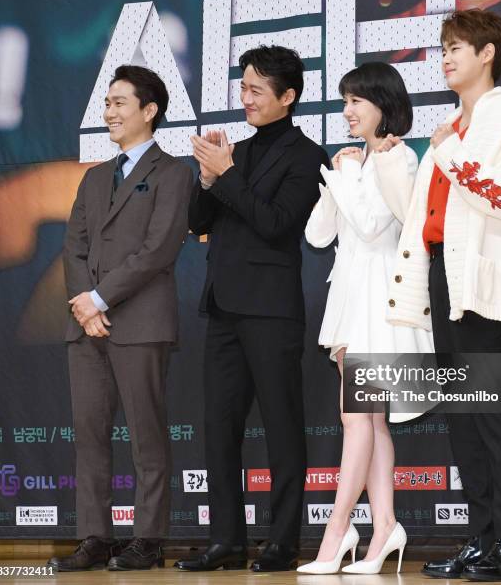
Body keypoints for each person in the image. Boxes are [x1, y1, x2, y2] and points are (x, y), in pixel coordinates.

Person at [378, 9, 501, 581]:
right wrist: (386, 160)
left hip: (486, 290)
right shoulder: (451, 126)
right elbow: (419, 216)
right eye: (442, 47)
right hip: (443, 280)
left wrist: (445, 152)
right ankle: (483, 538)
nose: (444, 57)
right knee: (464, 422)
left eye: (455, 47)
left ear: (487, 53)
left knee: (494, 418)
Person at [174, 46, 329, 573]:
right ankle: (226, 540)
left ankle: (283, 541)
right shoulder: (233, 151)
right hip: (222, 305)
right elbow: (199, 222)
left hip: (271, 310)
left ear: (288, 97)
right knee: (219, 427)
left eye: (257, 90)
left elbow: (277, 223)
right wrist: (210, 176)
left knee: (283, 427)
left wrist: (229, 175)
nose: (246, 99)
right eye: (243, 88)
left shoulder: (309, 157)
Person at [50, 65, 193, 571]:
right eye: (107, 103)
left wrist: (100, 300)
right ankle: (94, 536)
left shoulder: (174, 173)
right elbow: (74, 249)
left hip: (140, 322)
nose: (109, 112)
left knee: (145, 433)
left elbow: (156, 252)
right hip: (86, 325)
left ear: (149, 111)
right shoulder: (93, 177)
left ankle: (148, 538)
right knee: (89, 433)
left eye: (119, 103)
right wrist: (83, 305)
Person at [297, 62, 433, 575]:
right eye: (345, 101)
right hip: (352, 304)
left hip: (382, 304)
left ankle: (337, 534)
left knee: (357, 419)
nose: (348, 111)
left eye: (356, 101)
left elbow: (375, 225)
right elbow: (316, 235)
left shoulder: (399, 159)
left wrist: (348, 174)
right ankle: (384, 528)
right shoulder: (355, 165)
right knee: (369, 422)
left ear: (383, 104)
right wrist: (338, 179)